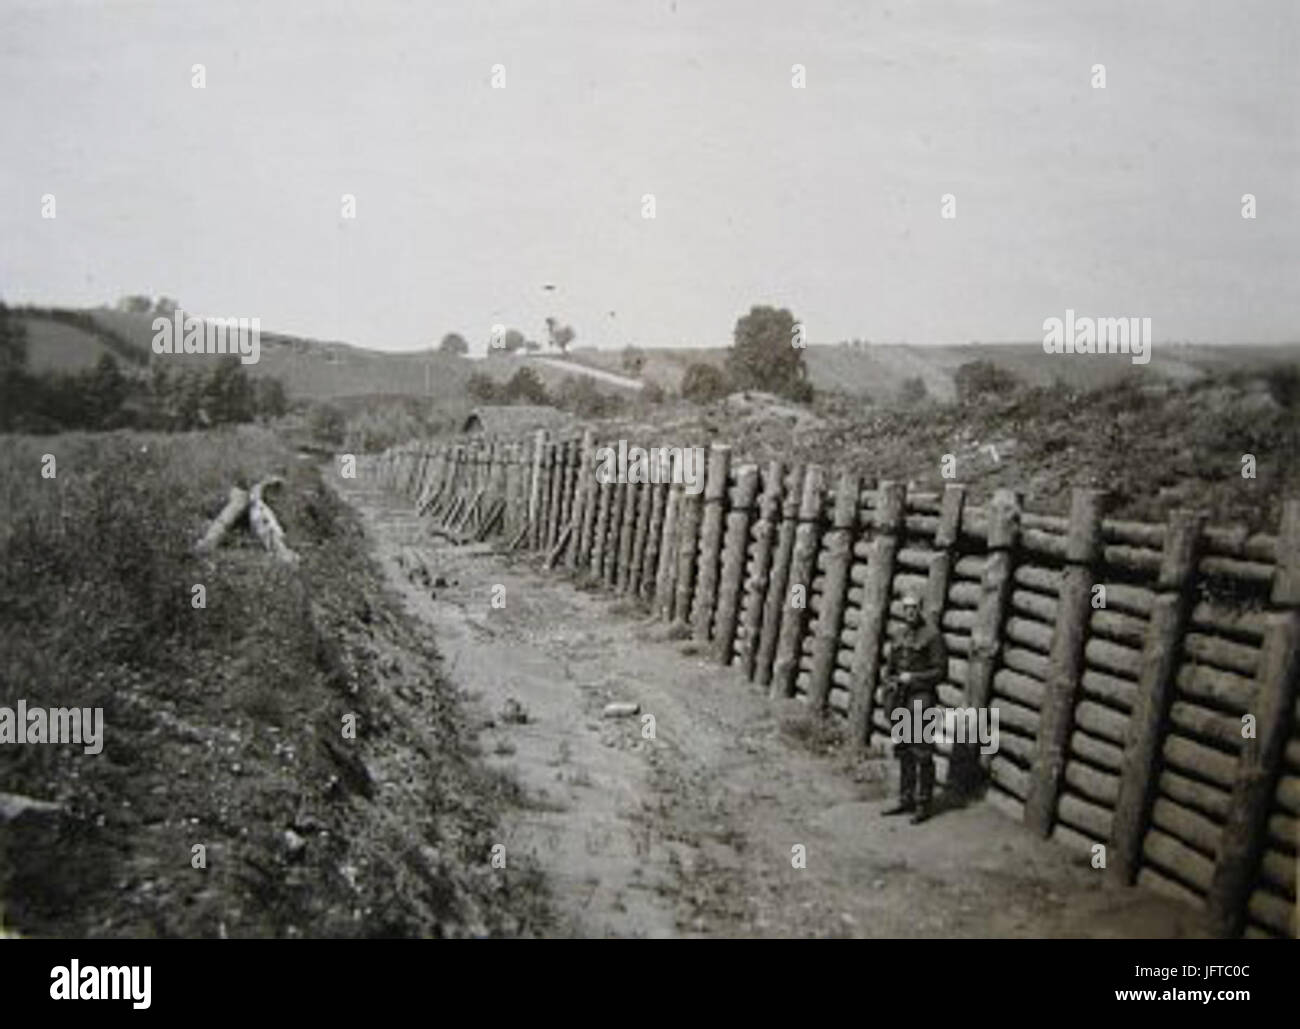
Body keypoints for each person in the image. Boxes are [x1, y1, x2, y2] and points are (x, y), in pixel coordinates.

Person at [880, 592, 948, 824]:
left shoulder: (933, 636)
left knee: (922, 751)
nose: (910, 612)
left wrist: (914, 678)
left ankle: (923, 804)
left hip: (921, 699)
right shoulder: (899, 634)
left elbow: (940, 672)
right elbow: (889, 668)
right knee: (904, 749)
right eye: (906, 608)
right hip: (900, 698)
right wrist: (889, 685)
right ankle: (905, 799)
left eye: (914, 608)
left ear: (921, 609)